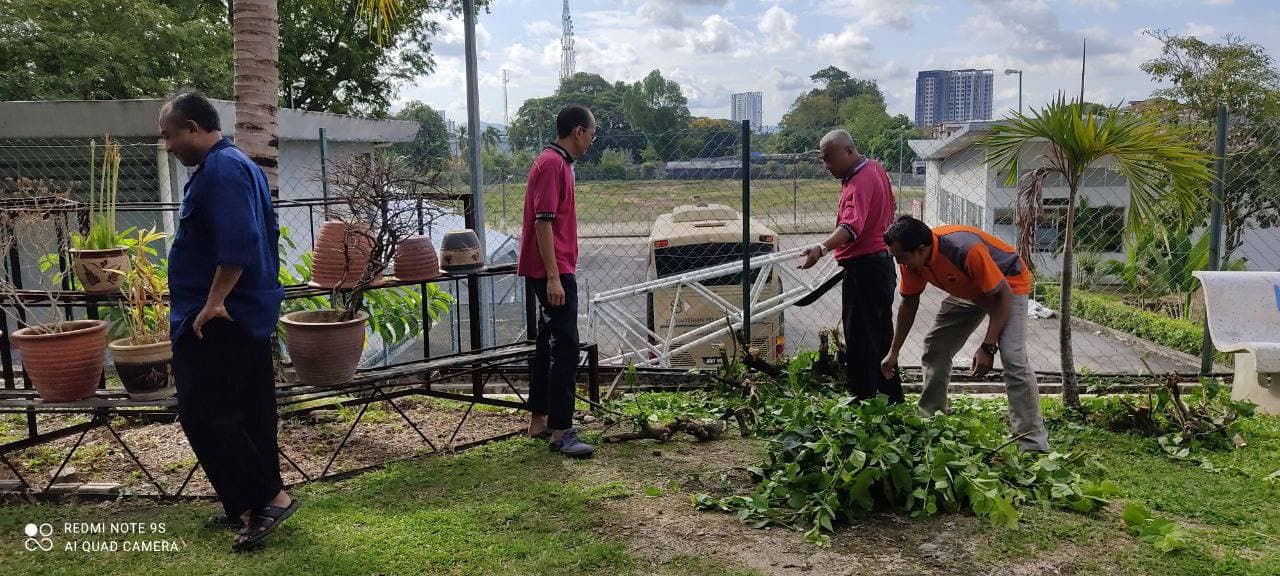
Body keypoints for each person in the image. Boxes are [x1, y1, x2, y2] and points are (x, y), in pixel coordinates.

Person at [160, 92, 295, 551]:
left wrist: (214, 301)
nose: (168, 146)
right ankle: (252, 503)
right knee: (247, 412)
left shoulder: (223, 170)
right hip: (238, 313)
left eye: (170, 135)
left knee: (204, 412)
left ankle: (267, 497)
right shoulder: (231, 165)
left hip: (220, 317)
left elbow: (238, 244)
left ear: (193, 127)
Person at [880, 215, 1050, 452]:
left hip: (1007, 286)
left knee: (1013, 356)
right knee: (936, 346)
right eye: (895, 257)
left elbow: (1002, 296)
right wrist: (894, 352)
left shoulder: (964, 250)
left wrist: (988, 347)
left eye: (901, 257)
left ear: (921, 249)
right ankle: (932, 420)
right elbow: (909, 304)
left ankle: (1032, 443)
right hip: (970, 289)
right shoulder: (910, 260)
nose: (900, 263)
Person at [798, 129, 903, 403]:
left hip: (865, 269)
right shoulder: (876, 169)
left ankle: (863, 398)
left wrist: (821, 248)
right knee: (880, 335)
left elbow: (851, 227)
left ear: (848, 151)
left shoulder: (859, 181)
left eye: (828, 158)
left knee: (860, 337)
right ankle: (890, 398)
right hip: (881, 266)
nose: (827, 166)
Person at [518, 104, 597, 458]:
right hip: (553, 269)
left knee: (547, 344)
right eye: (591, 135)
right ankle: (562, 431)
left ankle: (540, 420)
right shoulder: (552, 164)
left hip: (553, 267)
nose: (591, 142)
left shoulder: (557, 163)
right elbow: (543, 222)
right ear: (578, 131)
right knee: (566, 346)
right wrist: (554, 277)